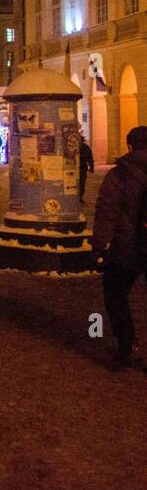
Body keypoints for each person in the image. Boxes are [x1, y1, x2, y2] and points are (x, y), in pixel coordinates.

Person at [91, 126, 147, 370]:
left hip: (128, 246)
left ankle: (126, 347)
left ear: (129, 146)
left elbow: (107, 212)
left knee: (115, 294)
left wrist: (99, 246)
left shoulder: (120, 174)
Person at [79, 134, 95, 203]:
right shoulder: (72, 147)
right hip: (79, 168)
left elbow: (90, 159)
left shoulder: (86, 148)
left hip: (82, 168)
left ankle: (80, 197)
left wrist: (91, 167)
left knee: (82, 184)